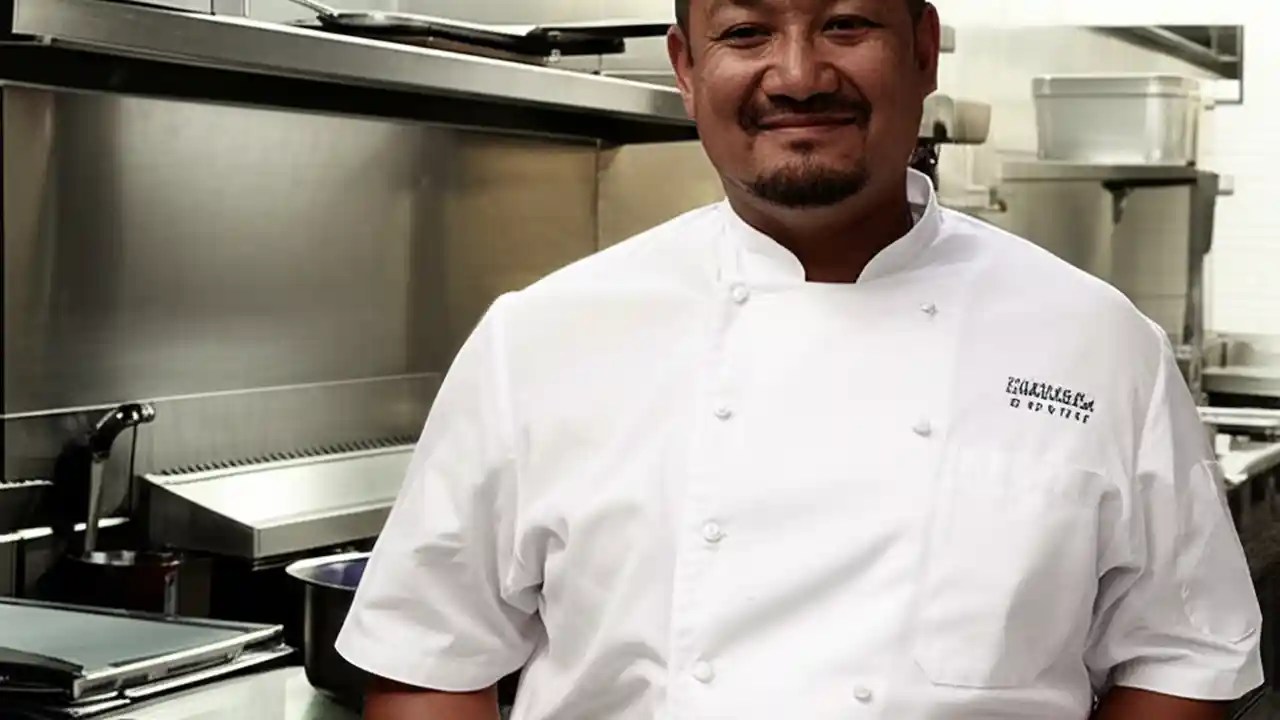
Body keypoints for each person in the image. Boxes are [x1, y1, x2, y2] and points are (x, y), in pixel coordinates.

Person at [335, 0, 1265, 717]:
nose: (797, 73)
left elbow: (1185, 650)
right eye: (745, 30)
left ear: (924, 47)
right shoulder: (539, 339)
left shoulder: (1097, 342)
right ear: (686, 68)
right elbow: (429, 659)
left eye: (845, 23)